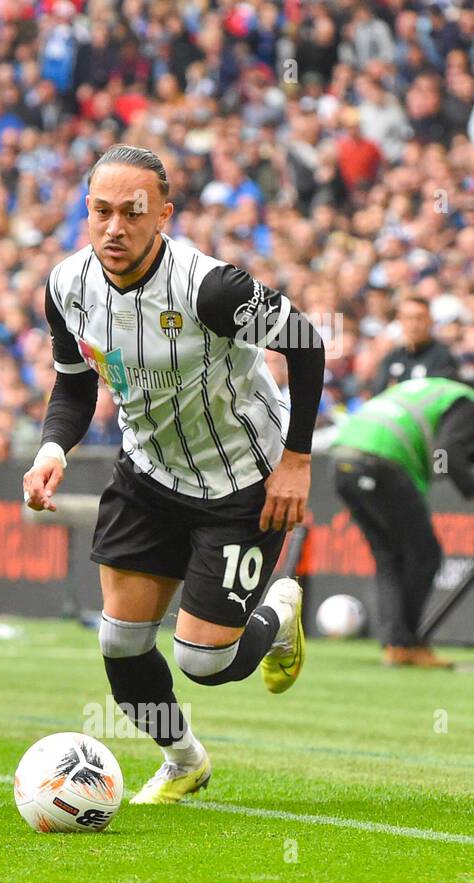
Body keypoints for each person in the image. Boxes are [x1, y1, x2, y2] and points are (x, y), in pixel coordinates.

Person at [23, 145, 326, 805]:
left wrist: (297, 462)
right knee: (122, 644)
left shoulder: (210, 289)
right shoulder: (66, 286)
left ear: (163, 212)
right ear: (86, 211)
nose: (114, 227)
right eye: (101, 211)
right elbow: (73, 387)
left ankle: (278, 609)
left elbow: (306, 342)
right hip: (149, 474)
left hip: (242, 478)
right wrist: (54, 451)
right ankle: (184, 761)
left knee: (204, 661)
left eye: (132, 212)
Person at [331, 377, 474, 667]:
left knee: (389, 555)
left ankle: (396, 643)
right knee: (425, 554)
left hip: (343, 457)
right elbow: (449, 451)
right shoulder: (471, 401)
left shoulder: (430, 388)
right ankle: (406, 643)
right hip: (381, 460)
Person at [372, 294, 460, 392]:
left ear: (430, 320)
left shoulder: (443, 356)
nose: (414, 325)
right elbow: (379, 394)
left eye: (419, 318)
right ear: (400, 321)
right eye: (408, 318)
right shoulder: (392, 358)